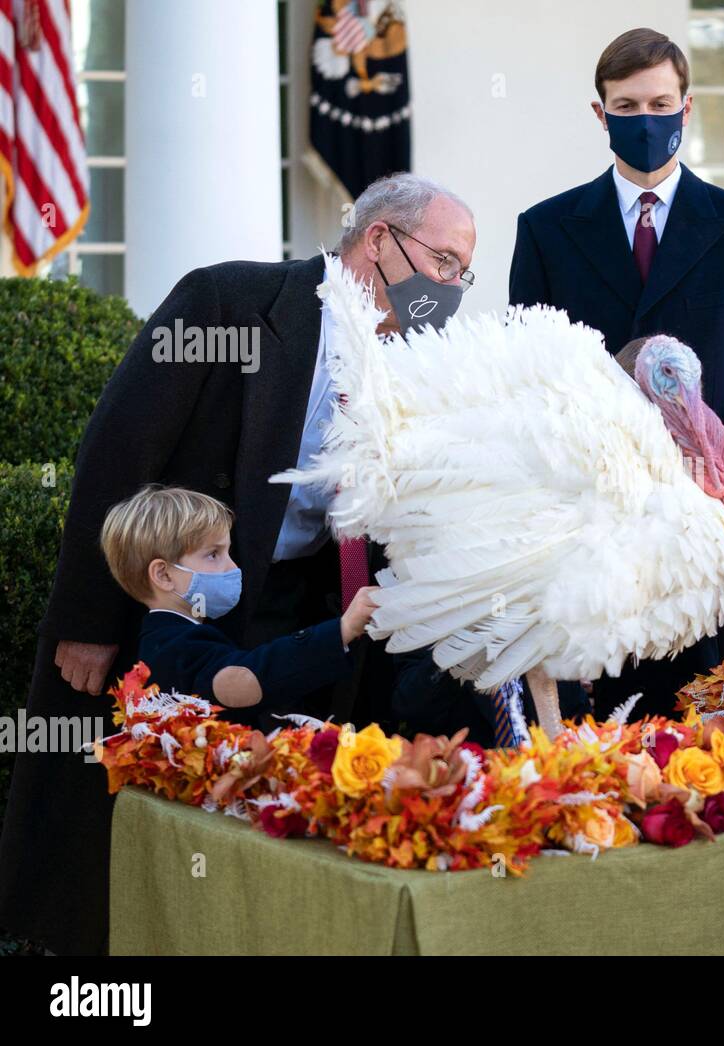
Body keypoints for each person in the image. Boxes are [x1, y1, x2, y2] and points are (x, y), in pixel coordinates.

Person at [0, 172, 475, 955]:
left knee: (254, 825)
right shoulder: (226, 303)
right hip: (176, 601)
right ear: (381, 240)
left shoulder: (421, 359)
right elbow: (116, 457)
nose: (455, 287)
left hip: (309, 613)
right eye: (448, 261)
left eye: (465, 272)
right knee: (116, 823)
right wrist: (85, 620)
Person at [509, 26, 724, 710]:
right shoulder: (546, 230)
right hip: (589, 539)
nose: (645, 121)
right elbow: (528, 383)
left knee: (718, 738)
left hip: (708, 535)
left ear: (687, 109)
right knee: (595, 741)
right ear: (600, 115)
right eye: (626, 108)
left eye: (660, 104)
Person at [101, 485, 378, 714]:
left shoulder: (168, 636)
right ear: (163, 574)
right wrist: (340, 631)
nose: (233, 568)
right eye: (213, 555)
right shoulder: (176, 646)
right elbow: (244, 680)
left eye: (228, 553)